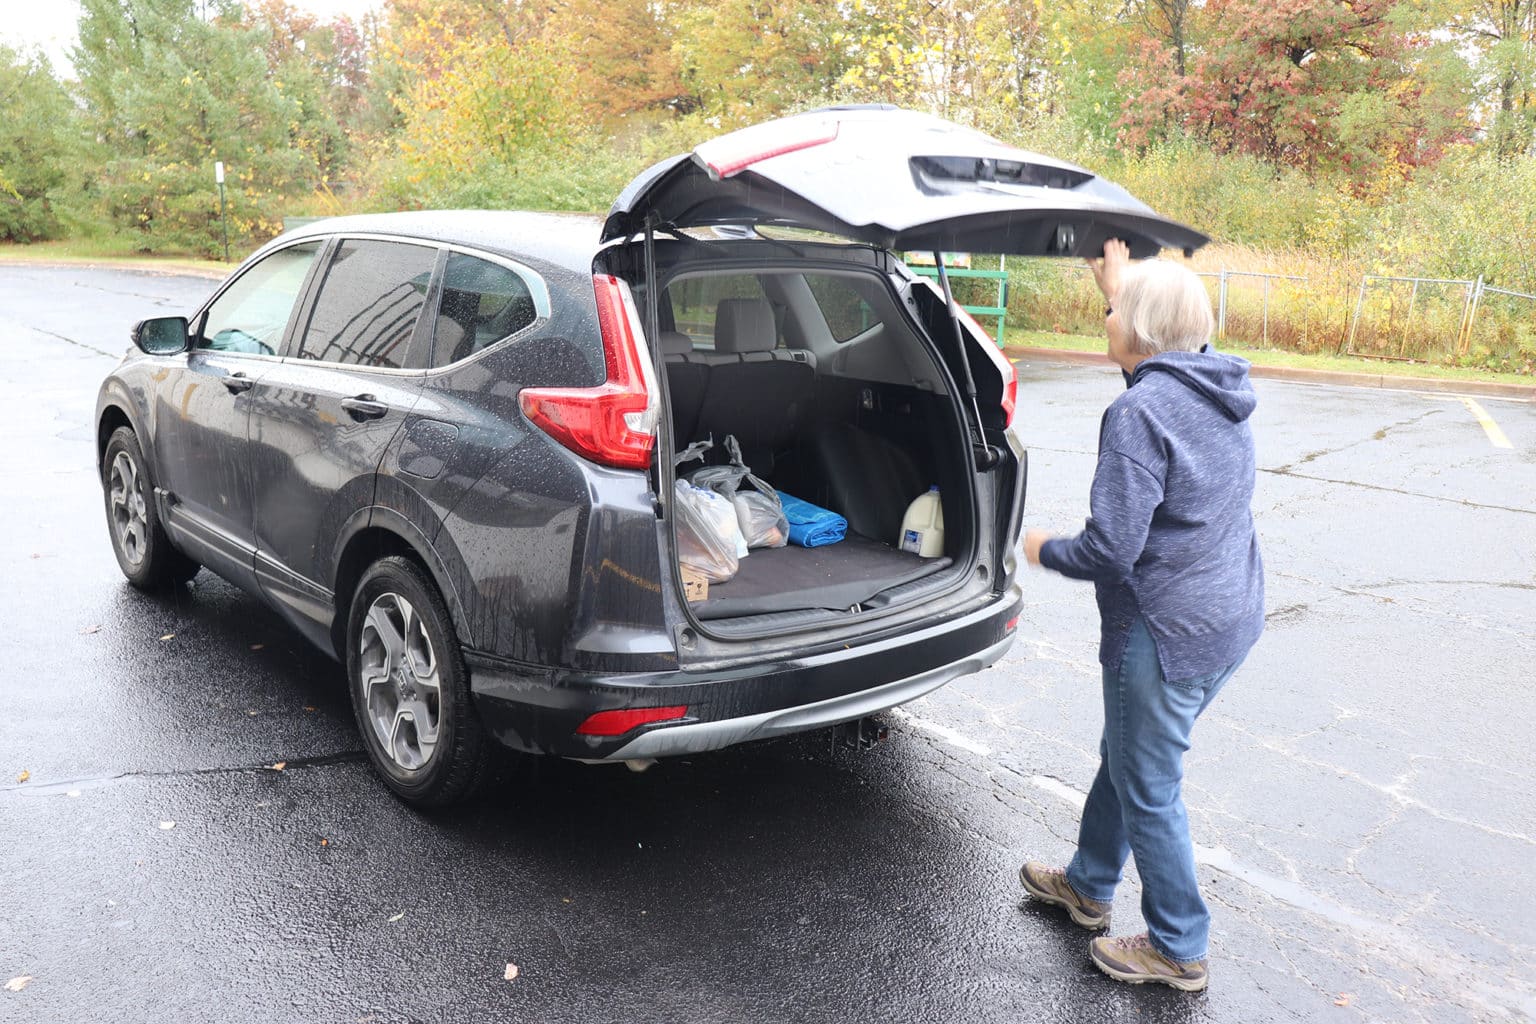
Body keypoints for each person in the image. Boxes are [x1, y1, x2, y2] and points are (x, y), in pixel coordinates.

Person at [1019, 239, 1264, 992]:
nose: (1107, 321)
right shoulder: (1215, 382)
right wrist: (1120, 287)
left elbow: (1111, 549)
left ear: (1140, 332)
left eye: (1116, 313)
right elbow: (1164, 344)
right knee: (1126, 756)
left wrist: (1041, 550)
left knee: (1150, 785)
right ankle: (1089, 885)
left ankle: (1178, 947)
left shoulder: (1138, 413)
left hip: (1162, 634)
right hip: (1229, 619)